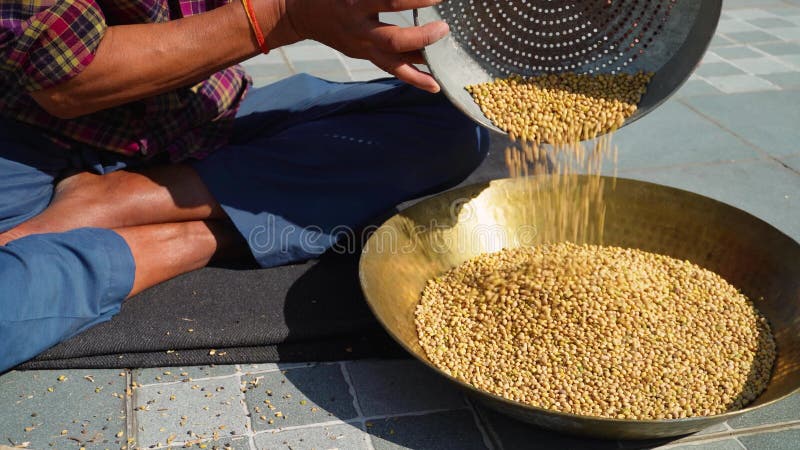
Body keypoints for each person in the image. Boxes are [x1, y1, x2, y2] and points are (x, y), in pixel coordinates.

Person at [0, 0, 489, 372]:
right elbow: (67, 80)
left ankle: (150, 210)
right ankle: (209, 230)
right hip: (32, 141)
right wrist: (284, 15)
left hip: (190, 109)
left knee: (450, 125)